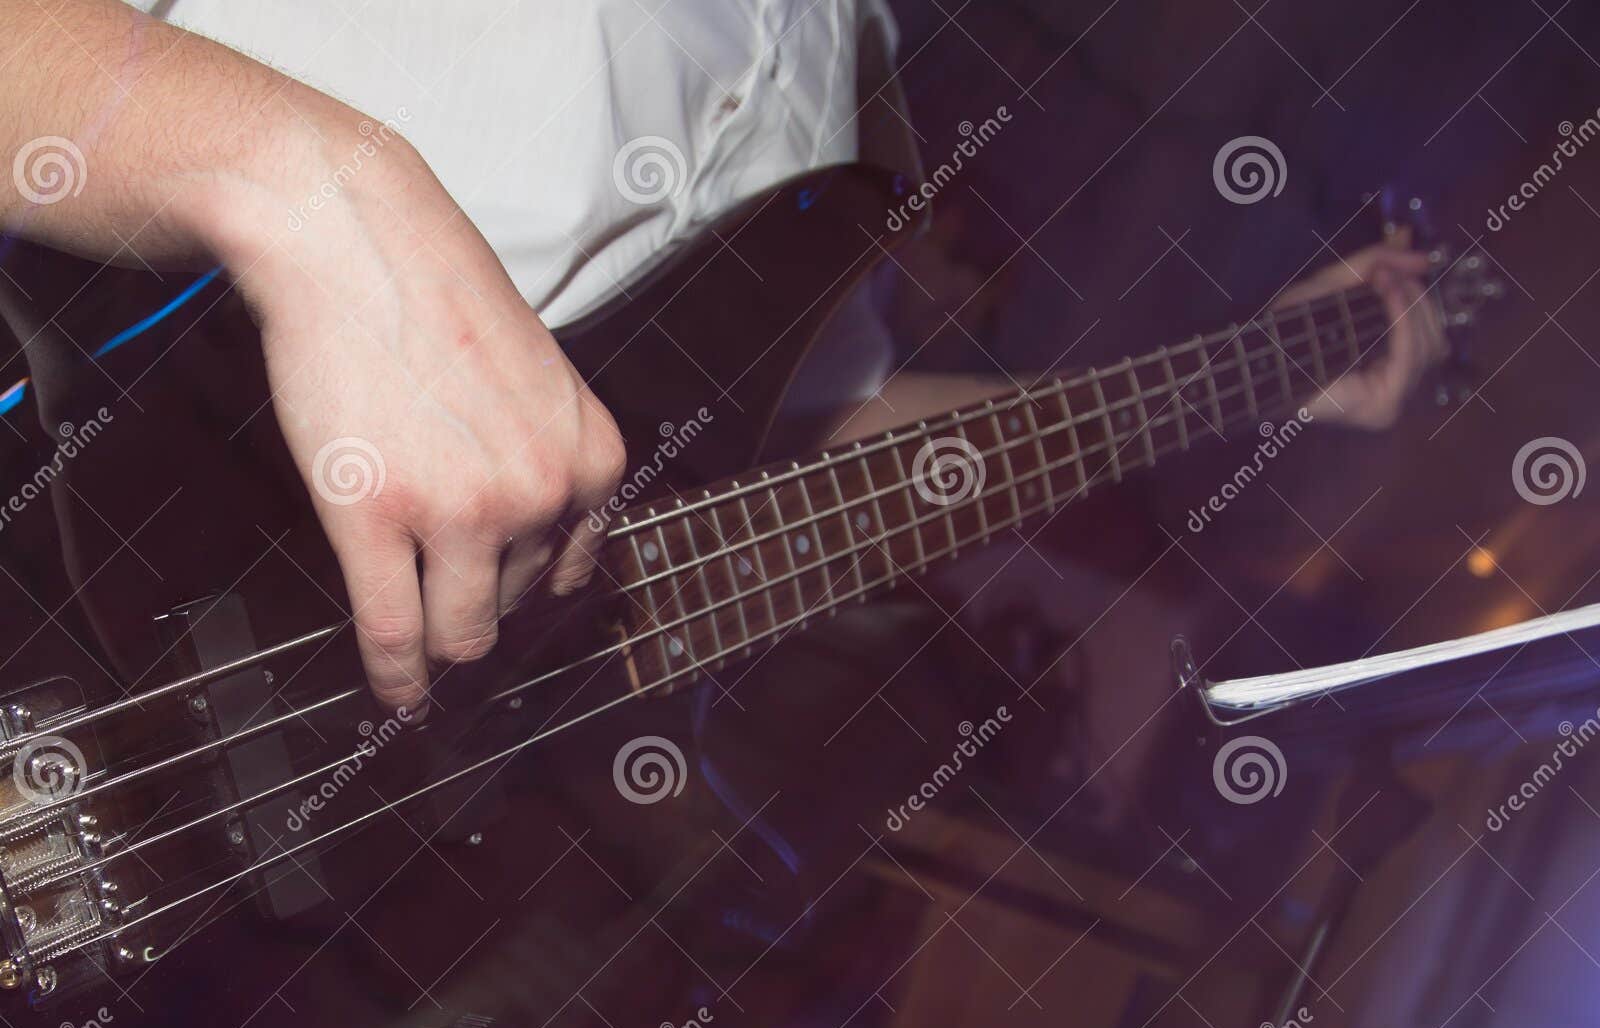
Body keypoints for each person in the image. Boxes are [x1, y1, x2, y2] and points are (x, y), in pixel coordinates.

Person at [0, 0, 1446, 719]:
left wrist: (1264, 372)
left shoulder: (849, 66)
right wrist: (305, 187)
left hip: (257, 821)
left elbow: (818, 427)